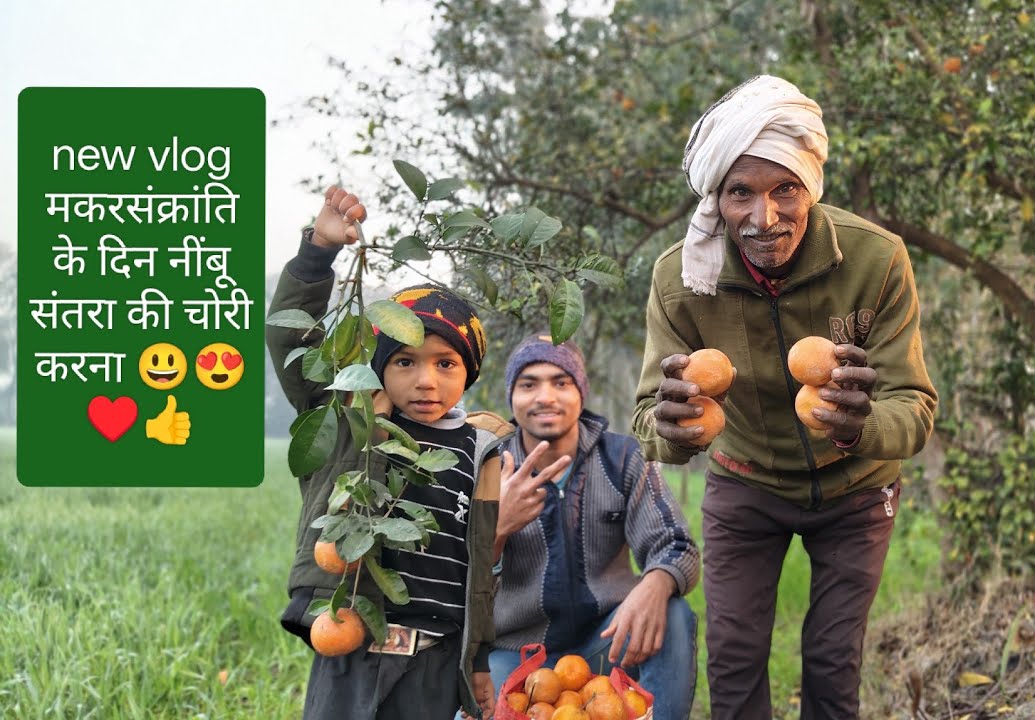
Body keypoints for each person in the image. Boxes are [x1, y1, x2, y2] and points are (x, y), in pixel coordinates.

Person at [632, 76, 938, 719]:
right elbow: (645, 416)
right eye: (740, 192)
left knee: (832, 658)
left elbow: (914, 404)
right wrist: (675, 432)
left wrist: (859, 425)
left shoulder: (874, 260)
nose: (763, 218)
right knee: (735, 658)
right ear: (717, 197)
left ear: (811, 187)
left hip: (857, 489)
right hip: (747, 484)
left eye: (785, 190)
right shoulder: (681, 280)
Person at [268, 186, 559, 720]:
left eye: (445, 364)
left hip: (435, 663)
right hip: (350, 647)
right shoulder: (351, 423)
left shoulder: (480, 451)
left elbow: (477, 574)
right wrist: (319, 251)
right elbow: (292, 346)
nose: (426, 381)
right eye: (405, 362)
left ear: (467, 371)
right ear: (380, 367)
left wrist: (476, 662)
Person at [489, 333, 700, 718]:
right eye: (528, 384)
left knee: (673, 614)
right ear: (511, 396)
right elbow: (458, 578)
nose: (545, 397)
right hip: (514, 652)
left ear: (581, 392)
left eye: (561, 382)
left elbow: (677, 546)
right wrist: (498, 528)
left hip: (607, 641)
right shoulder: (490, 470)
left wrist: (656, 582)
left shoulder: (622, 458)